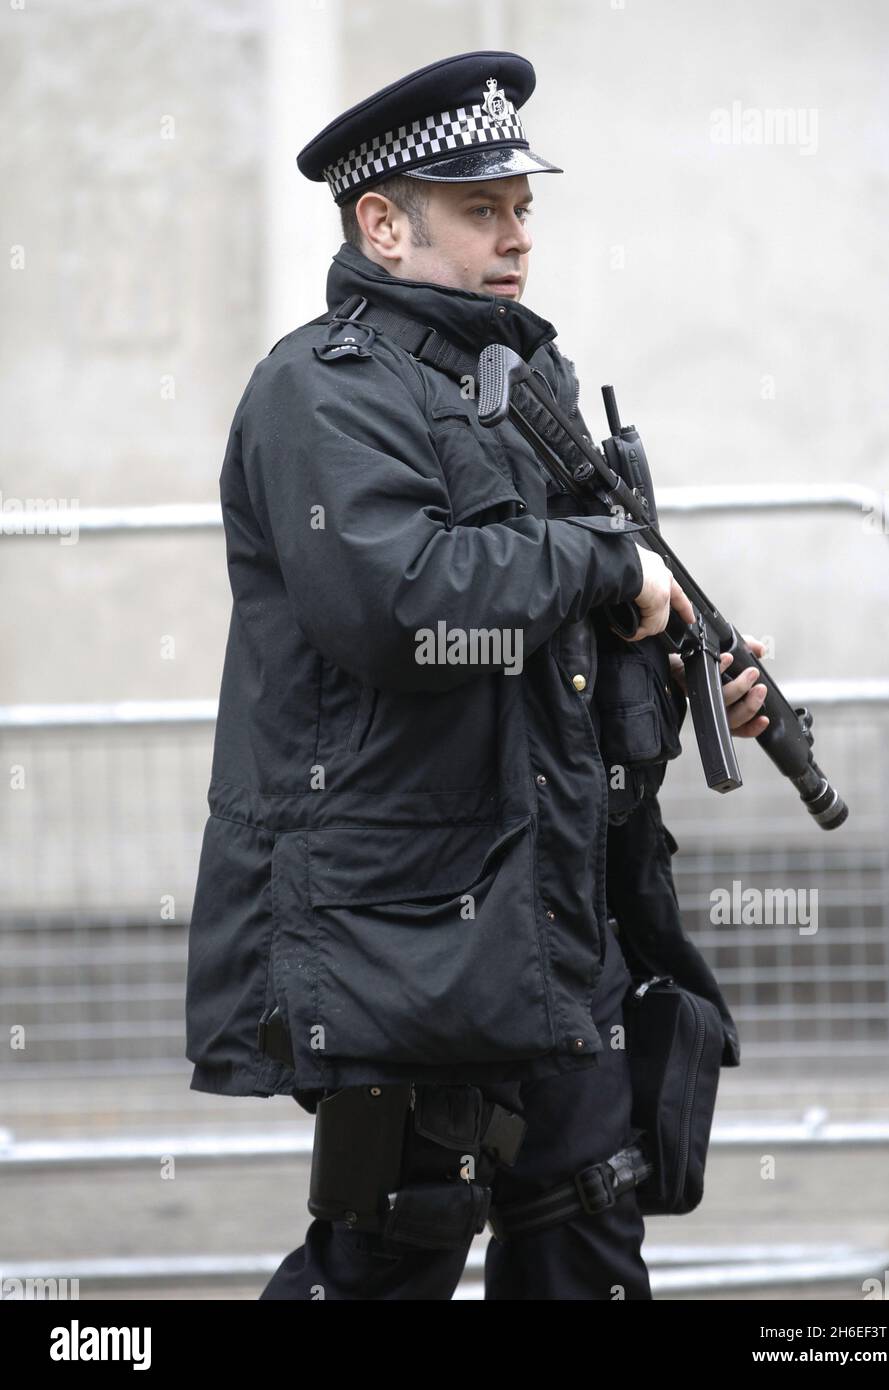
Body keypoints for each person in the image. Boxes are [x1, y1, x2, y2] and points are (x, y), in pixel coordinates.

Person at [184, 50, 769, 1300]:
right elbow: (397, 606)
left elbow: (557, 655)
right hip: (401, 918)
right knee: (390, 1252)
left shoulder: (527, 381)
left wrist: (675, 678)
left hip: (551, 907)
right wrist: (607, 570)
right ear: (383, 223)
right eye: (479, 210)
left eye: (521, 209)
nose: (514, 237)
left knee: (585, 1231)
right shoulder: (319, 390)